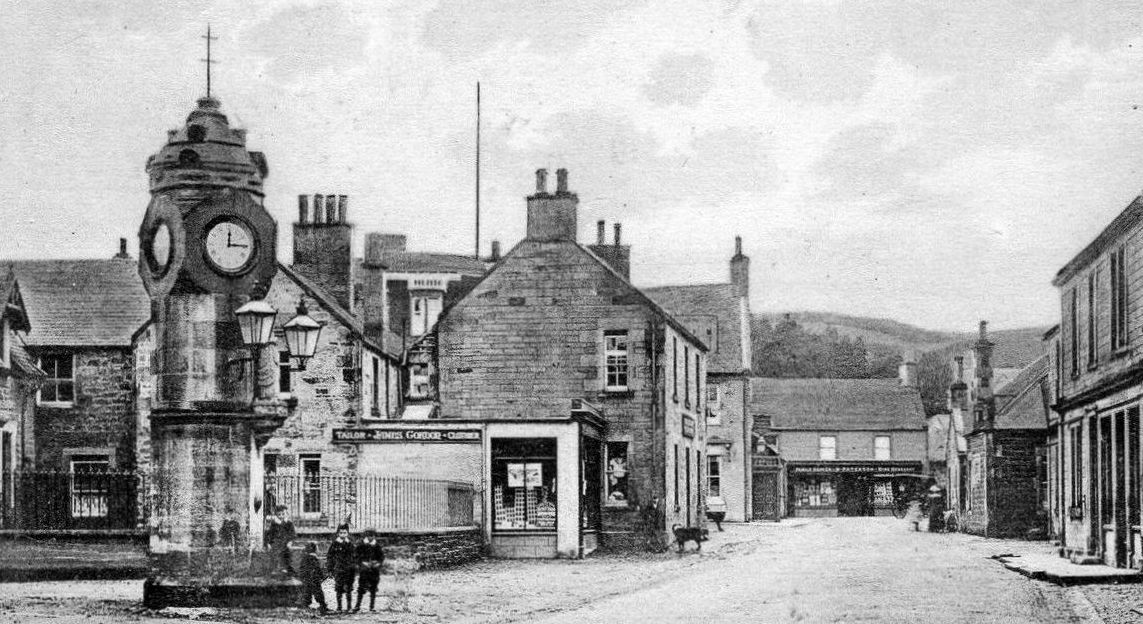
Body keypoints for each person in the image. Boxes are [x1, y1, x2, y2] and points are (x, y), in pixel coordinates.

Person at [353, 528, 385, 613]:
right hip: (364, 570)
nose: (371, 537)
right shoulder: (361, 545)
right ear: (366, 536)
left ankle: (372, 606)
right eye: (369, 536)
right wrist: (363, 563)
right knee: (361, 588)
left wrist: (378, 563)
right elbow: (356, 556)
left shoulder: (377, 546)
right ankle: (357, 606)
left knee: (373, 588)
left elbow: (381, 557)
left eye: (373, 536)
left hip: (374, 570)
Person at [327, 524, 357, 612]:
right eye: (341, 533)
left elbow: (354, 557)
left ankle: (349, 607)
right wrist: (330, 569)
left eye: (345, 533)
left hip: (349, 570)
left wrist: (354, 567)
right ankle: (339, 607)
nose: (343, 535)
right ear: (338, 533)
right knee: (339, 588)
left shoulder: (350, 544)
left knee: (349, 588)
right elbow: (330, 557)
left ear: (347, 533)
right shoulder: (335, 544)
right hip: (338, 569)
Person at [265, 505, 296, 576]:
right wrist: (269, 543)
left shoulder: (289, 523)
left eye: (283, 514)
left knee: (286, 551)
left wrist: (290, 541)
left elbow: (292, 534)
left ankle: (285, 567)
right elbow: (270, 533)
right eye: (279, 514)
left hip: (285, 542)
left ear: (286, 514)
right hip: (276, 542)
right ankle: (274, 568)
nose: (281, 516)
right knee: (274, 551)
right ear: (276, 515)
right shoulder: (274, 524)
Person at [298, 542, 329, 614]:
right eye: (317, 548)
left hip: (307, 579)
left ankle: (305, 605)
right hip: (314, 579)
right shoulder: (313, 558)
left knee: (307, 592)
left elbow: (302, 569)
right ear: (314, 550)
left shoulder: (304, 558)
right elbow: (317, 569)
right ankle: (322, 606)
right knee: (318, 592)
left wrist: (302, 577)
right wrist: (321, 576)